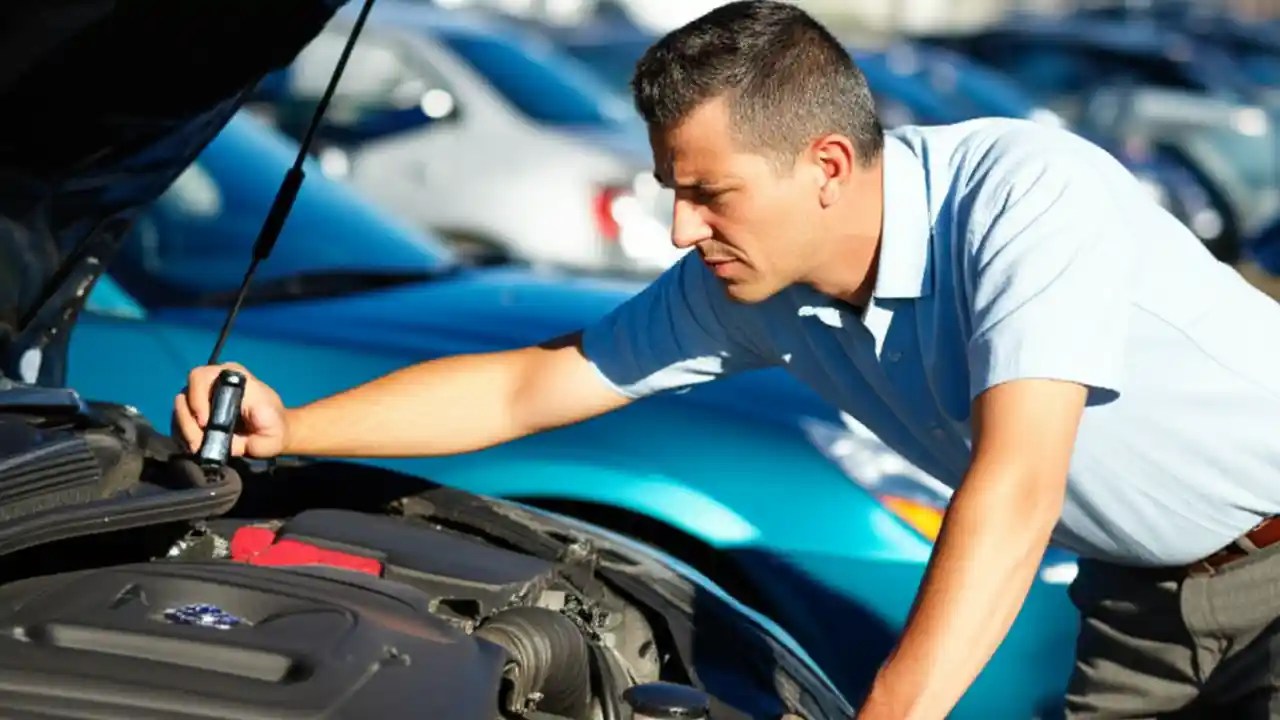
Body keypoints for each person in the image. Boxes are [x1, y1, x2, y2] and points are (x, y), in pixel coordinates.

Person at [174, 1, 1280, 717]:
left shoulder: (1022, 193)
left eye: (707, 193)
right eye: (672, 191)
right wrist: (294, 426)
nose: (677, 229)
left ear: (828, 165)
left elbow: (1018, 481)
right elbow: (531, 382)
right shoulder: (751, 286)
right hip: (1136, 608)